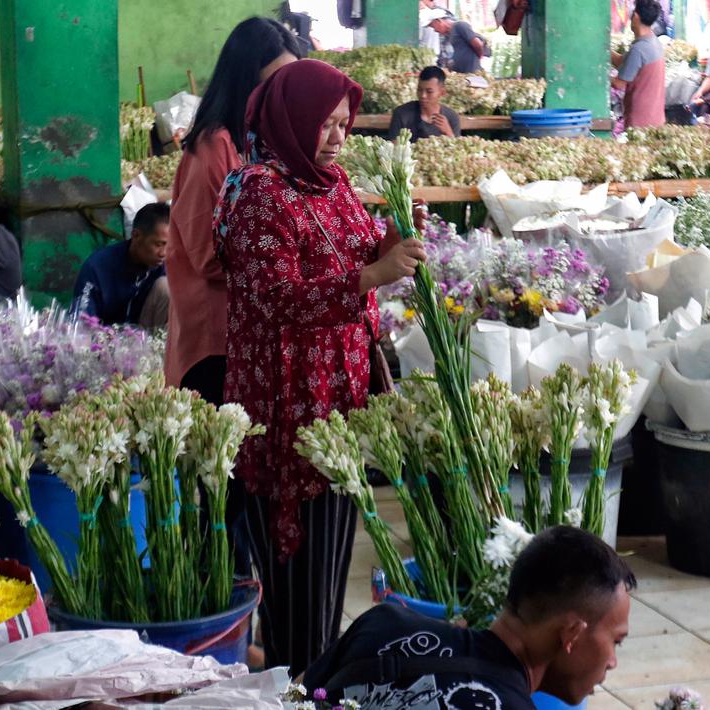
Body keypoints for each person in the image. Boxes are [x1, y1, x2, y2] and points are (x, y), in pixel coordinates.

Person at [214, 59, 427, 676]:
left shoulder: (329, 184)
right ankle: (296, 683)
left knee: (328, 566)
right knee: (295, 585)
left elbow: (359, 243)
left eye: (344, 124)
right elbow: (273, 296)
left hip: (338, 403)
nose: (339, 137)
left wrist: (394, 239)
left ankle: (307, 680)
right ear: (292, 120)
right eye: (326, 124)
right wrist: (370, 277)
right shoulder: (257, 192)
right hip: (287, 412)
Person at [167, 17, 301, 669]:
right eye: (275, 80)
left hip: (254, 340)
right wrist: (285, 263)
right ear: (249, 79)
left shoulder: (257, 143)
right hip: (215, 345)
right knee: (223, 497)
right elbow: (206, 253)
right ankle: (220, 643)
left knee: (250, 488)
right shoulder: (211, 149)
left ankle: (248, 635)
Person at [304, 526, 635, 709]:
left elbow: (288, 697)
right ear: (571, 635)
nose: (612, 662)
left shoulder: (385, 623)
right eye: (616, 642)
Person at [70, 202, 170, 329]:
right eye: (158, 244)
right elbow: (81, 317)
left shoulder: (166, 266)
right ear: (136, 236)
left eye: (169, 245)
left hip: (144, 340)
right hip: (103, 341)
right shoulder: (98, 266)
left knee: (167, 287)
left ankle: (161, 346)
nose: (164, 253)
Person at [610, 0, 666, 129]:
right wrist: (604, 49)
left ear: (635, 16)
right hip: (655, 118)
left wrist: (600, 75)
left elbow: (619, 83)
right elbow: (622, 62)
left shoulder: (639, 49)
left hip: (641, 120)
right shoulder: (653, 42)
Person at [387, 66, 461, 141]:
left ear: (442, 92)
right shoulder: (402, 114)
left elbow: (458, 149)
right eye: (419, 90)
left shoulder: (452, 117)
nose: (423, 95)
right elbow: (393, 146)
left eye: (429, 91)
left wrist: (448, 133)